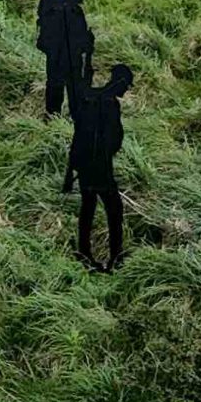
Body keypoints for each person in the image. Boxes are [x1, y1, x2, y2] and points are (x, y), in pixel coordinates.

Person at [69, 65, 131, 272]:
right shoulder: (110, 104)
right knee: (115, 209)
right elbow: (114, 139)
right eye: (126, 86)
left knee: (88, 207)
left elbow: (79, 133)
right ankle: (116, 256)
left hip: (85, 165)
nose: (126, 91)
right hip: (101, 167)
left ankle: (84, 253)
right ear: (120, 82)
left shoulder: (89, 97)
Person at [37, 0, 95, 127]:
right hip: (69, 57)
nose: (83, 0)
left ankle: (52, 120)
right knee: (73, 90)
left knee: (54, 87)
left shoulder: (47, 3)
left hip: (54, 55)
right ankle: (70, 121)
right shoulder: (74, 12)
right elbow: (80, 40)